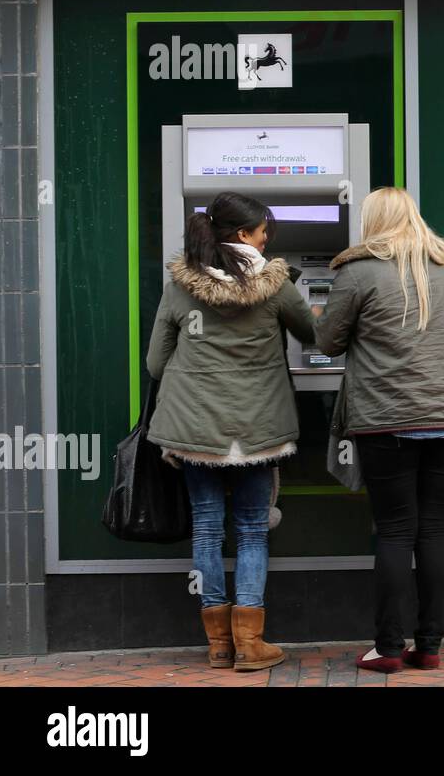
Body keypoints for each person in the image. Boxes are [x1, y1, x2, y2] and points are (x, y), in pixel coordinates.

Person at [146, 191, 316, 672]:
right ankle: (250, 643)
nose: (267, 240)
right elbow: (314, 337)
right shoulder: (276, 284)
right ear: (244, 235)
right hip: (257, 427)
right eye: (264, 231)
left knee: (206, 528)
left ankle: (218, 643)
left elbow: (156, 364)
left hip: (194, 426)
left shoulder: (182, 286)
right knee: (251, 530)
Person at [314, 187, 444, 674]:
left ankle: (387, 648)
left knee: (393, 530)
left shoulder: (356, 270)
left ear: (373, 221)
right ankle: (428, 646)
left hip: (387, 416)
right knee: (433, 527)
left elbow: (328, 341)